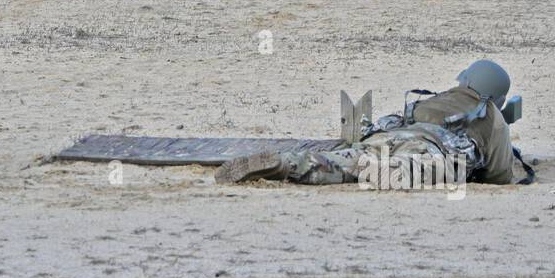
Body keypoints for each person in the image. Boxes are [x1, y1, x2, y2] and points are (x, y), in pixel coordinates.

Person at [215, 59, 531, 187]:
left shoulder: (436, 98)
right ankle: (386, 172)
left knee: (340, 162)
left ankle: (285, 164)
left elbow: (396, 120)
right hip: (434, 150)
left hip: (391, 136)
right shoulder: (491, 117)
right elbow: (498, 177)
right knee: (405, 170)